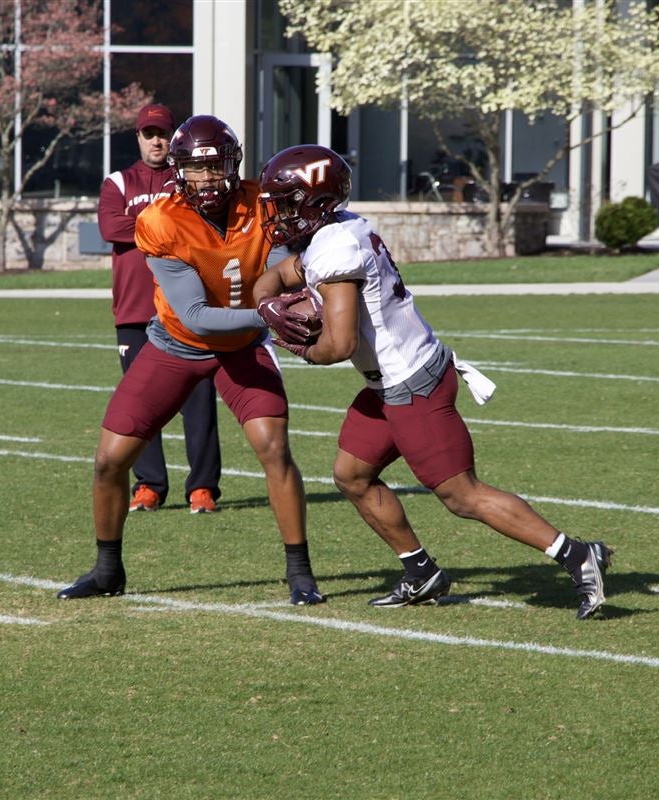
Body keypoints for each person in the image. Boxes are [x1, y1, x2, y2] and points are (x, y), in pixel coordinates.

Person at [250, 144, 612, 619]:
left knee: (462, 495)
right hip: (391, 383)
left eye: (286, 200)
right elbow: (274, 275)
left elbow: (336, 346)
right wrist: (267, 304)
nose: (277, 212)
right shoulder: (340, 229)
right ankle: (421, 572)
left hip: (412, 384)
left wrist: (298, 347)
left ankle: (580, 556)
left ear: (314, 201)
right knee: (352, 475)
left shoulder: (336, 247)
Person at [58, 116, 325, 605]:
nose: (205, 179)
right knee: (109, 461)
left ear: (232, 164)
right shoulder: (160, 219)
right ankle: (106, 570)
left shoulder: (262, 204)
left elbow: (279, 269)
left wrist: (286, 302)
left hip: (243, 349)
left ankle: (300, 572)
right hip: (176, 346)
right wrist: (269, 317)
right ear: (178, 171)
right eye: (193, 169)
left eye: (214, 167)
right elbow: (198, 318)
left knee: (274, 449)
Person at [97, 103, 222, 515]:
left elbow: (199, 224)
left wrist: (150, 224)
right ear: (137, 137)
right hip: (133, 310)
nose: (156, 141)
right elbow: (110, 227)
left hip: (185, 308)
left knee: (199, 401)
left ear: (174, 139)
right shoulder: (118, 181)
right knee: (141, 404)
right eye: (148, 134)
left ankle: (202, 488)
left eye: (163, 134)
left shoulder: (186, 180)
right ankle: (149, 485)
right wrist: (165, 225)